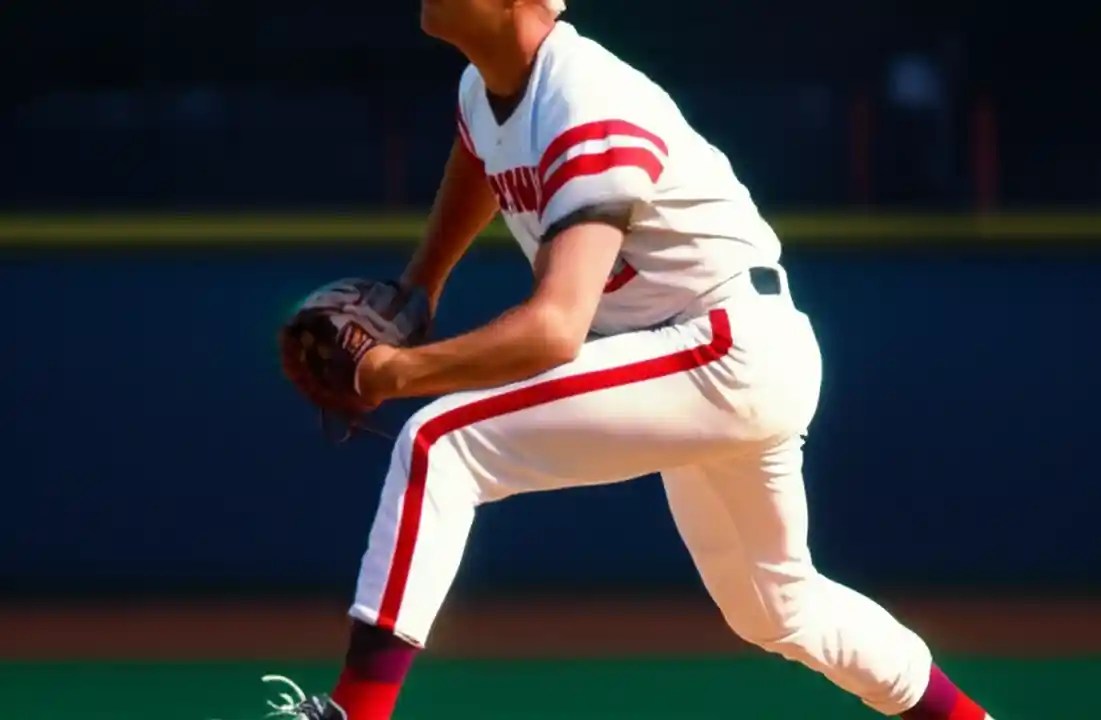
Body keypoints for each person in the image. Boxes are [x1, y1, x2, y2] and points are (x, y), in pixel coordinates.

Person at [261, 1, 997, 718]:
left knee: (441, 443)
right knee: (778, 607)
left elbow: (553, 328)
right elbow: (481, 152)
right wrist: (418, 288)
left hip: (723, 344)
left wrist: (393, 373)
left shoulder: (585, 96)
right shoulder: (487, 89)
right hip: (715, 351)